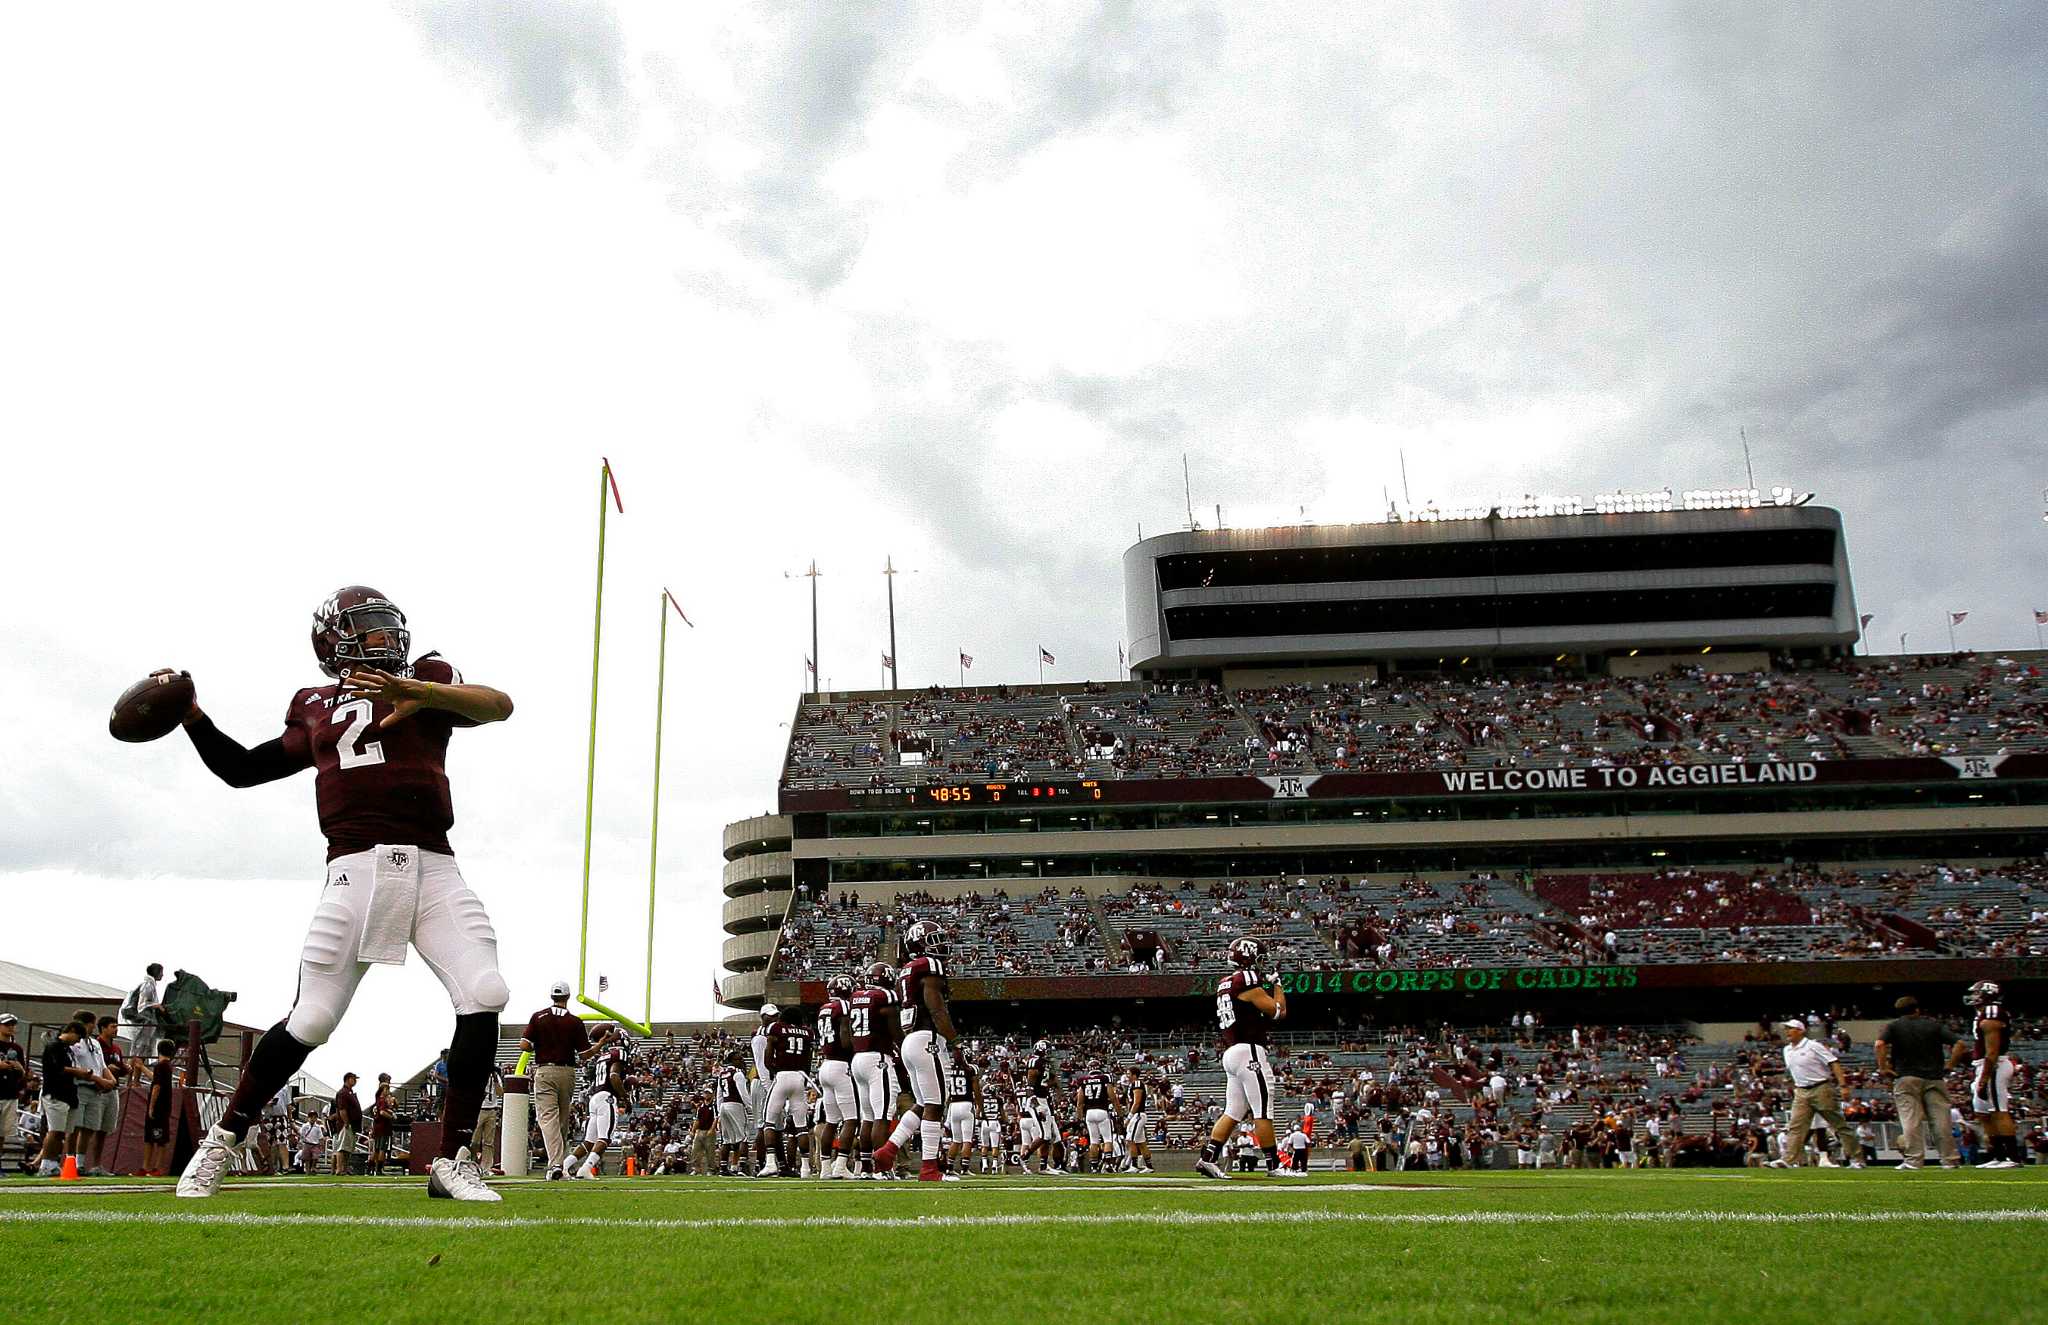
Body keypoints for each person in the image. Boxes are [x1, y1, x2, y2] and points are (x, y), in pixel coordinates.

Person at [164, 586, 515, 1202]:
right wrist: (193, 718)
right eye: (369, 629)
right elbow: (244, 769)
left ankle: (454, 1159)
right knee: (313, 1018)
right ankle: (220, 1142)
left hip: (434, 865)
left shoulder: (428, 678)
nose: (384, 639)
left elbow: (499, 705)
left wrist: (423, 694)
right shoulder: (313, 704)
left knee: (485, 989)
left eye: (387, 628)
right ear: (334, 641)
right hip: (353, 869)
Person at [869, 922, 961, 1182]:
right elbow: (936, 1009)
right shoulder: (929, 966)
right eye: (934, 939)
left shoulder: (905, 971)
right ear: (919, 944)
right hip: (927, 1038)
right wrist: (956, 1044)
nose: (941, 944)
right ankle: (930, 1169)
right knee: (935, 1104)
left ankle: (888, 1151)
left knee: (923, 1103)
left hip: (910, 1040)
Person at [1195, 936, 1287, 1179]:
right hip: (1250, 1051)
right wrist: (1277, 985)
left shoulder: (1225, 982)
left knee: (1233, 1111)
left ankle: (1207, 1159)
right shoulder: (1245, 979)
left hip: (1231, 1052)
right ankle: (1274, 1166)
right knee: (1263, 1110)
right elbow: (1278, 1011)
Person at [520, 981, 610, 1179]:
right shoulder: (574, 1021)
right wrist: (601, 1043)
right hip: (567, 1073)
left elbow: (524, 1045)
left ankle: (555, 1165)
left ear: (551, 996)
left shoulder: (539, 1017)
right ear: (567, 997)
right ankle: (560, 1163)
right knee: (561, 1120)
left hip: (545, 1070)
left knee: (548, 1119)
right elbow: (585, 1054)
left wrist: (542, 1046)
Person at [1876, 996, 1961, 1170]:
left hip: (1906, 1077)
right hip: (1935, 1077)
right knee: (1941, 1121)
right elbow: (1959, 1044)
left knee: (1910, 1120)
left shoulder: (1894, 1026)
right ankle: (1949, 1160)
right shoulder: (1933, 1025)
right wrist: (1950, 1064)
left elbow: (1879, 1044)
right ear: (1917, 1009)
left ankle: (1914, 1160)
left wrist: (1883, 1067)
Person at [1768, 1018, 1863, 1168]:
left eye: (1790, 1028)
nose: (1787, 1032)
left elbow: (1834, 1062)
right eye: (1786, 1029)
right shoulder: (1787, 1050)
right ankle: (1787, 1160)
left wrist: (1843, 1085)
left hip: (1821, 1087)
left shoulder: (1813, 1046)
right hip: (1801, 1090)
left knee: (1838, 1124)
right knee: (1795, 1126)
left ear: (1801, 1030)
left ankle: (1857, 1159)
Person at [1950, 981, 2021, 1168]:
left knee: (1999, 1111)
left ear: (1986, 994)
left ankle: (2012, 1158)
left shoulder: (1992, 1013)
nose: (1972, 997)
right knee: (1983, 1113)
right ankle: (1997, 1156)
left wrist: (1984, 1079)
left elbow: (1992, 1051)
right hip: (1984, 1065)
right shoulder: (1983, 1013)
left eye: (1976, 993)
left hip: (1994, 1065)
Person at [847, 961, 898, 1177]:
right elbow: (895, 1027)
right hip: (878, 1058)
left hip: (858, 1057)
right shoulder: (884, 996)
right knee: (882, 1115)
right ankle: (882, 1167)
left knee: (867, 1117)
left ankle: (866, 1168)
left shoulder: (856, 996)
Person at [759, 1005, 814, 1178]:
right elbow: (808, 1059)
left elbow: (768, 1057)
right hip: (800, 1076)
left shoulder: (776, 1028)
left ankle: (770, 1163)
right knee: (801, 1126)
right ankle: (805, 1168)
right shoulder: (807, 1032)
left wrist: (775, 1069)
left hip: (782, 1076)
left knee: (769, 1122)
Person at [813, 975, 857, 1179]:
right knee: (851, 1119)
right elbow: (845, 1038)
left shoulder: (824, 1008)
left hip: (826, 1065)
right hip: (841, 1065)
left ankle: (825, 1168)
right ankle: (840, 1165)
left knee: (831, 1121)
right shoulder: (844, 1007)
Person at [35, 1021, 91, 1177]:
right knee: (55, 1130)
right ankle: (45, 1164)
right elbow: (57, 1068)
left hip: (69, 1093)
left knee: (63, 1132)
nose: (78, 1041)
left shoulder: (68, 1049)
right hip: (55, 1093)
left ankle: (53, 1163)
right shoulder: (54, 1046)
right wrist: (79, 1072)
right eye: (78, 1037)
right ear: (71, 1031)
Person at [141, 1039, 177, 1177]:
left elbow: (156, 1086)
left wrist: (151, 1106)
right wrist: (142, 1067)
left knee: (156, 1139)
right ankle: (150, 1168)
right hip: (165, 1107)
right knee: (154, 1137)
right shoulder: (166, 1066)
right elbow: (155, 1078)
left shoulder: (161, 1066)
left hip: (158, 1107)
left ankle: (153, 1167)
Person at [119, 964, 167, 1060]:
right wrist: (157, 1006)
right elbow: (142, 1004)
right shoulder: (148, 985)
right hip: (144, 1022)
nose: (162, 975)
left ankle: (134, 1073)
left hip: (146, 1022)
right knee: (139, 1050)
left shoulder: (150, 984)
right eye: (161, 972)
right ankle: (131, 1073)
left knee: (141, 1050)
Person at [0, 1015, 25, 1174]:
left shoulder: (17, 1048)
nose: (10, 1028)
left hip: (10, 1093)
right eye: (7, 1025)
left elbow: (24, 1072)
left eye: (12, 1025)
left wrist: (18, 1068)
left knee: (3, 1133)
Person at [331, 1073, 362, 1175]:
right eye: (353, 1079)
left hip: (352, 1124)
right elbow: (342, 1109)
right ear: (348, 1079)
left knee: (348, 1148)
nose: (355, 1081)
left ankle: (345, 1168)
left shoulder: (349, 1092)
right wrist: (346, 1122)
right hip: (345, 1124)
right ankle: (339, 1169)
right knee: (342, 1147)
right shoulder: (343, 1093)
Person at [368, 1074, 395, 1175]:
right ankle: (379, 1169)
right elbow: (382, 1112)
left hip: (377, 1125)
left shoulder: (378, 1098)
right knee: (382, 1148)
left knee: (376, 1148)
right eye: (387, 1089)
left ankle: (370, 1168)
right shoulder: (383, 1100)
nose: (388, 1091)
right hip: (383, 1126)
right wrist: (391, 1116)